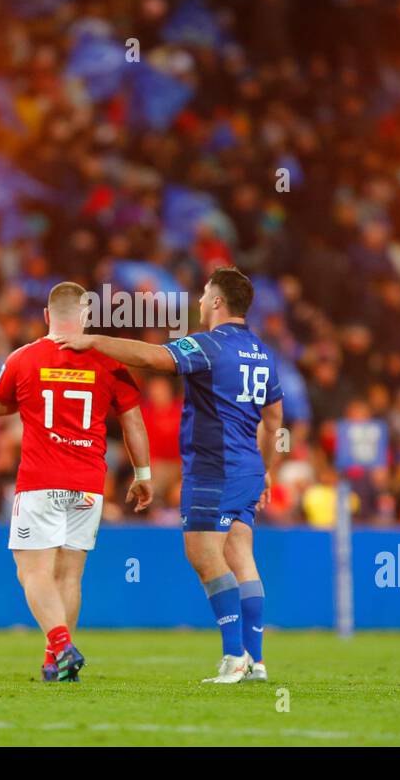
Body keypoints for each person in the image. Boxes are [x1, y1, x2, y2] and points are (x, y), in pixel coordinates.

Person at [56, 266, 283, 684]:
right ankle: (256, 660)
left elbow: (152, 358)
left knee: (203, 554)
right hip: (247, 469)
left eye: (203, 294)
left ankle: (234, 658)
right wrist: (265, 470)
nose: (198, 301)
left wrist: (93, 342)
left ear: (217, 301)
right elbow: (274, 421)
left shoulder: (209, 346)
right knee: (242, 557)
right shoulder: (263, 353)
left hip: (213, 468)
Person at [0, 282, 152, 682]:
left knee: (33, 571)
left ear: (47, 316)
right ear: (86, 318)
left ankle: (61, 645)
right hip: (88, 484)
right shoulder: (110, 362)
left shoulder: (23, 358)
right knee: (70, 575)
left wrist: (30, 398)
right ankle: (54, 663)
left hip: (41, 480)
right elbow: (132, 420)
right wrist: (143, 474)